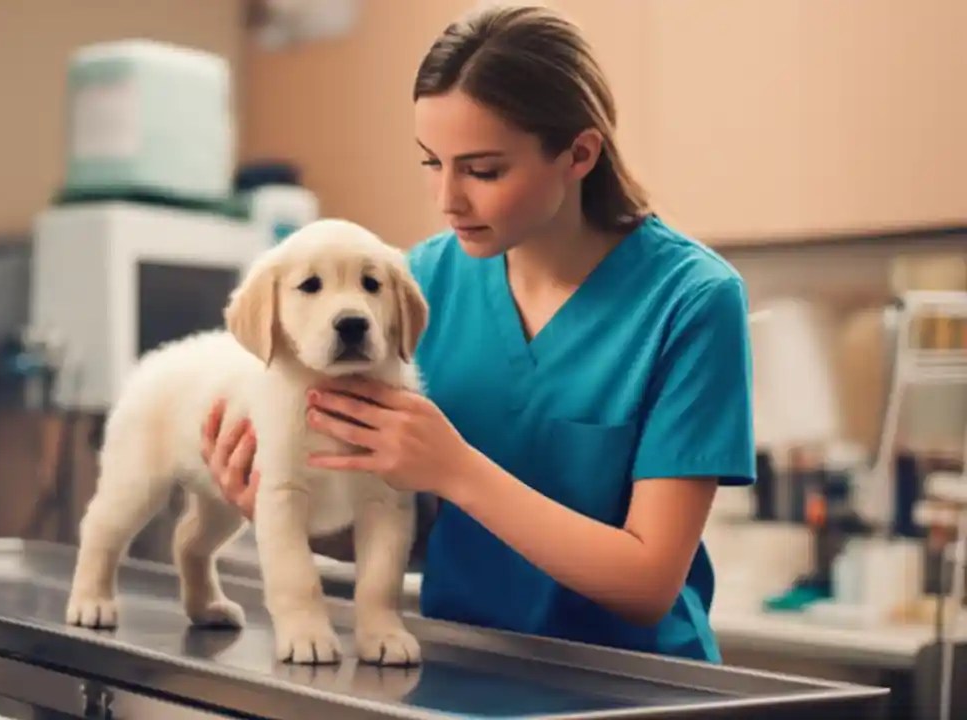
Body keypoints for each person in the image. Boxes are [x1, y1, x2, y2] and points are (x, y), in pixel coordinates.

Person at [201, 2, 755, 664]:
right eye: (432, 162)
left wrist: (458, 469)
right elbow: (418, 531)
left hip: (633, 687)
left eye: (483, 170)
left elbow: (648, 583)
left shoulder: (690, 301)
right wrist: (284, 511)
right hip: (459, 670)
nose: (447, 199)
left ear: (579, 154)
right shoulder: (419, 281)